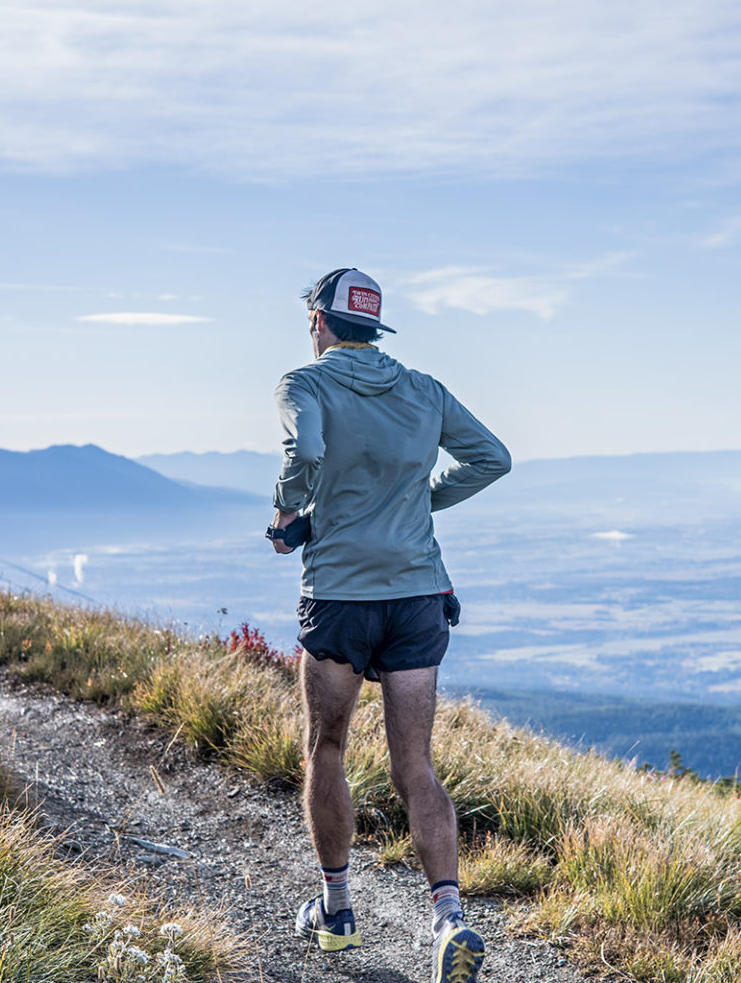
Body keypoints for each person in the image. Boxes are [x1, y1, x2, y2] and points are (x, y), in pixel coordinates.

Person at [268, 268, 510, 983]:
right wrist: (419, 503)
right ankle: (448, 921)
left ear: (319, 323)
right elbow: (491, 459)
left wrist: (289, 513)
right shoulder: (424, 390)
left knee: (327, 746)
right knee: (416, 765)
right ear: (373, 326)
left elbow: (306, 453)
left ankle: (338, 910)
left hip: (341, 593)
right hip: (417, 595)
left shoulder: (304, 384)